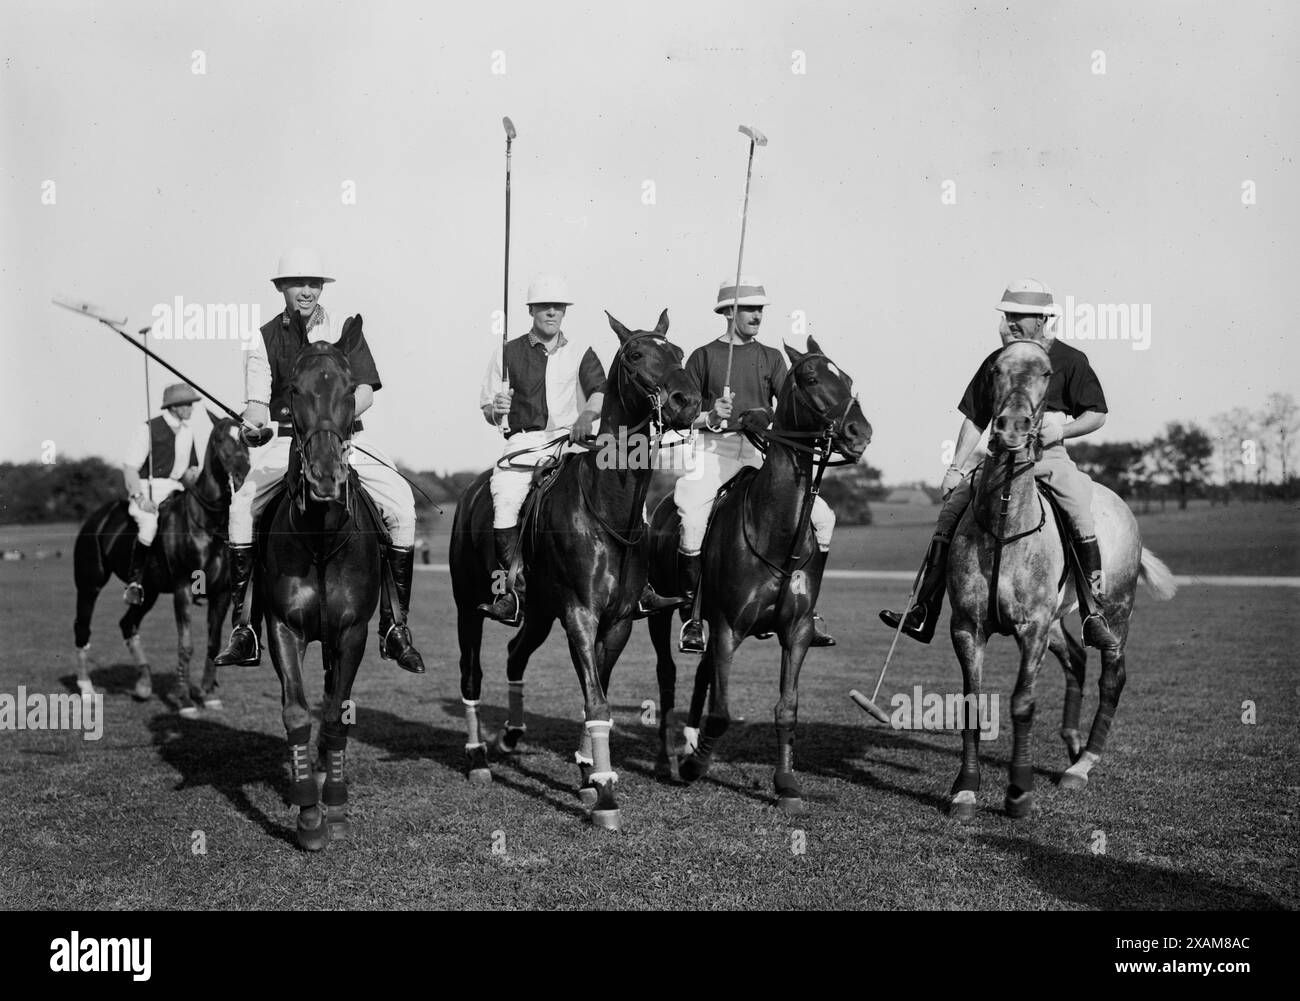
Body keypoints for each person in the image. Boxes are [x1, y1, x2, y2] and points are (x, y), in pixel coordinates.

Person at [214, 247, 425, 672]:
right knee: (241, 509)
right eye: (297, 284)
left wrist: (335, 422)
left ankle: (394, 625)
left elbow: (364, 390)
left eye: (314, 284)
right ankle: (245, 627)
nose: (307, 291)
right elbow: (256, 403)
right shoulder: (263, 337)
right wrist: (254, 425)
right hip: (285, 441)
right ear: (281, 288)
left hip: (347, 439)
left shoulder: (346, 331)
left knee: (402, 505)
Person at [879, 278, 1115, 648]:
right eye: (1008, 315)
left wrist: (1062, 430)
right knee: (950, 514)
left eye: (1020, 315)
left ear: (1042, 318)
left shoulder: (1070, 359)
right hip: (996, 462)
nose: (1012, 322)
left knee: (1081, 516)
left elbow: (1097, 414)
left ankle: (1093, 614)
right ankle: (924, 611)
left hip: (1048, 458)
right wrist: (955, 468)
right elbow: (975, 418)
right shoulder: (996, 361)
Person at [674, 276, 838, 654]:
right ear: (728, 313)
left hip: (761, 452)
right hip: (714, 451)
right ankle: (694, 616)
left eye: (760, 309)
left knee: (824, 519)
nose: (757, 315)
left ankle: (807, 610)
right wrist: (708, 414)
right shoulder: (703, 356)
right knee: (693, 520)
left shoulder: (771, 357)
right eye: (749, 309)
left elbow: (794, 402)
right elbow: (681, 415)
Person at [120, 383, 211, 605]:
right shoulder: (148, 429)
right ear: (174, 407)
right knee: (149, 527)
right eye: (188, 404)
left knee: (201, 530)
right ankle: (135, 582)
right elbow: (130, 467)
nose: (192, 408)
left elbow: (190, 470)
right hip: (148, 491)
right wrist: (140, 499)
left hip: (177, 490)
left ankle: (199, 588)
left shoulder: (188, 433)